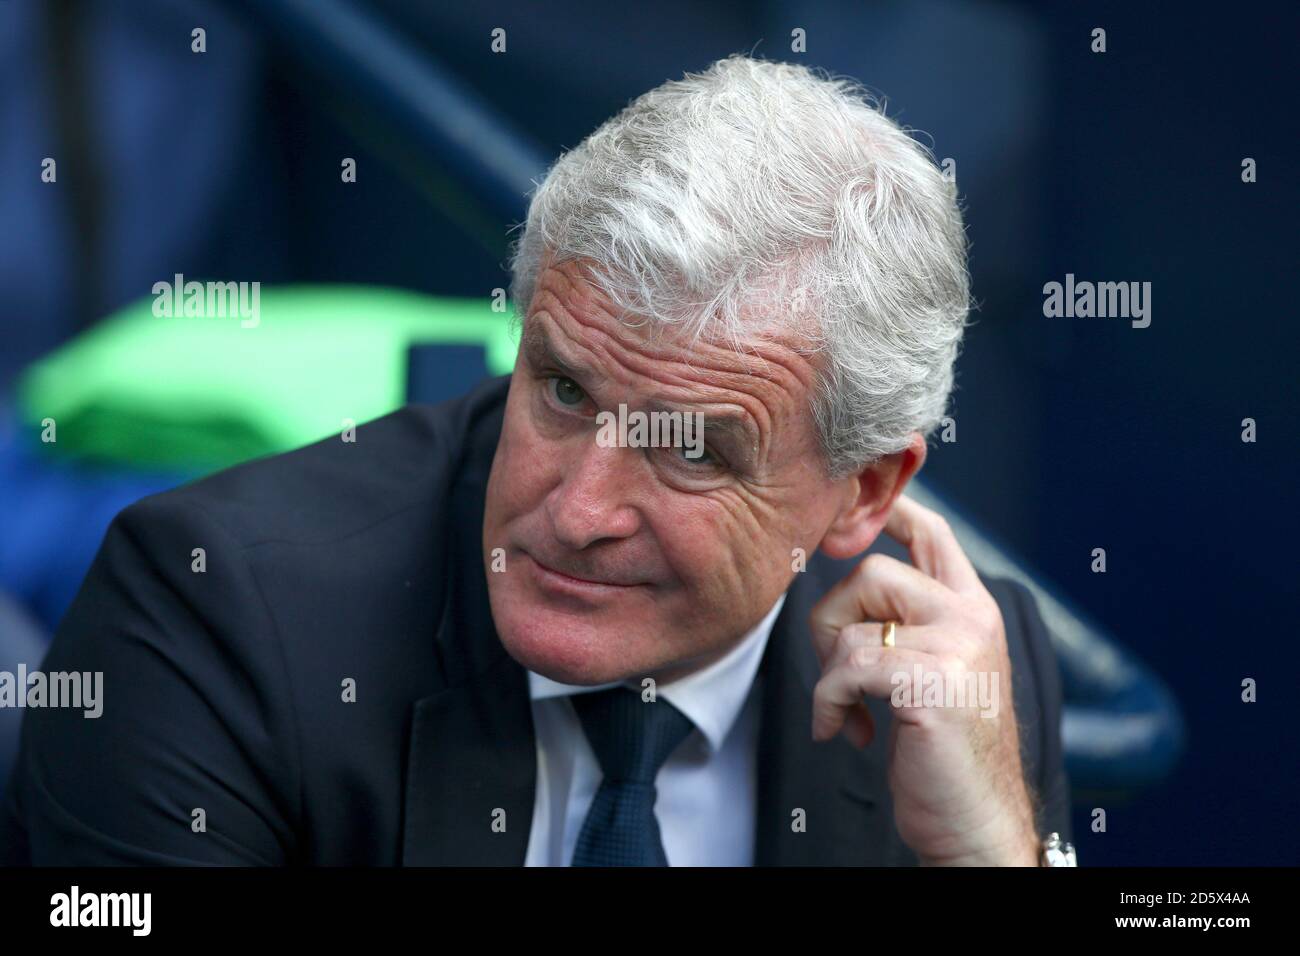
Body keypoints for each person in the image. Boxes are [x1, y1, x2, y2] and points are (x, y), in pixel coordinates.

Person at [0, 55, 1070, 866]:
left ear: (866, 489)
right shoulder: (210, 614)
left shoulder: (963, 671)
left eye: (689, 447)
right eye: (563, 390)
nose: (575, 509)